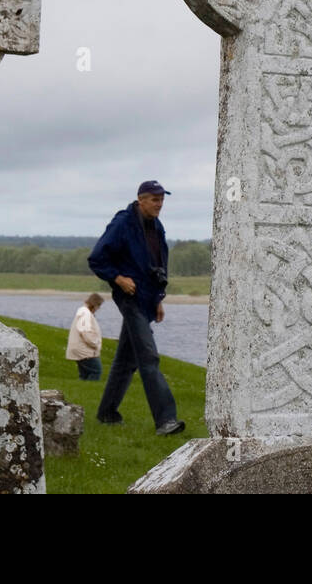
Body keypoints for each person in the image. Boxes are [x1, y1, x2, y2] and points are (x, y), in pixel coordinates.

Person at [87, 180, 185, 435]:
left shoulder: (156, 226)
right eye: (155, 199)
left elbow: (157, 265)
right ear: (140, 199)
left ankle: (107, 412)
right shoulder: (123, 223)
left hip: (147, 299)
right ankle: (166, 421)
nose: (159, 204)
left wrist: (158, 299)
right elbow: (97, 258)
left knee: (125, 360)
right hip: (129, 298)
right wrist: (118, 279)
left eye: (162, 199)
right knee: (148, 357)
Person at [66, 293, 104, 380]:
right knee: (96, 370)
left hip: (79, 349)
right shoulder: (85, 314)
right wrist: (95, 344)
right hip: (84, 350)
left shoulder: (83, 312)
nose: (99, 308)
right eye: (99, 305)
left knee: (84, 374)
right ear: (95, 304)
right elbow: (85, 332)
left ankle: (82, 390)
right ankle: (92, 391)